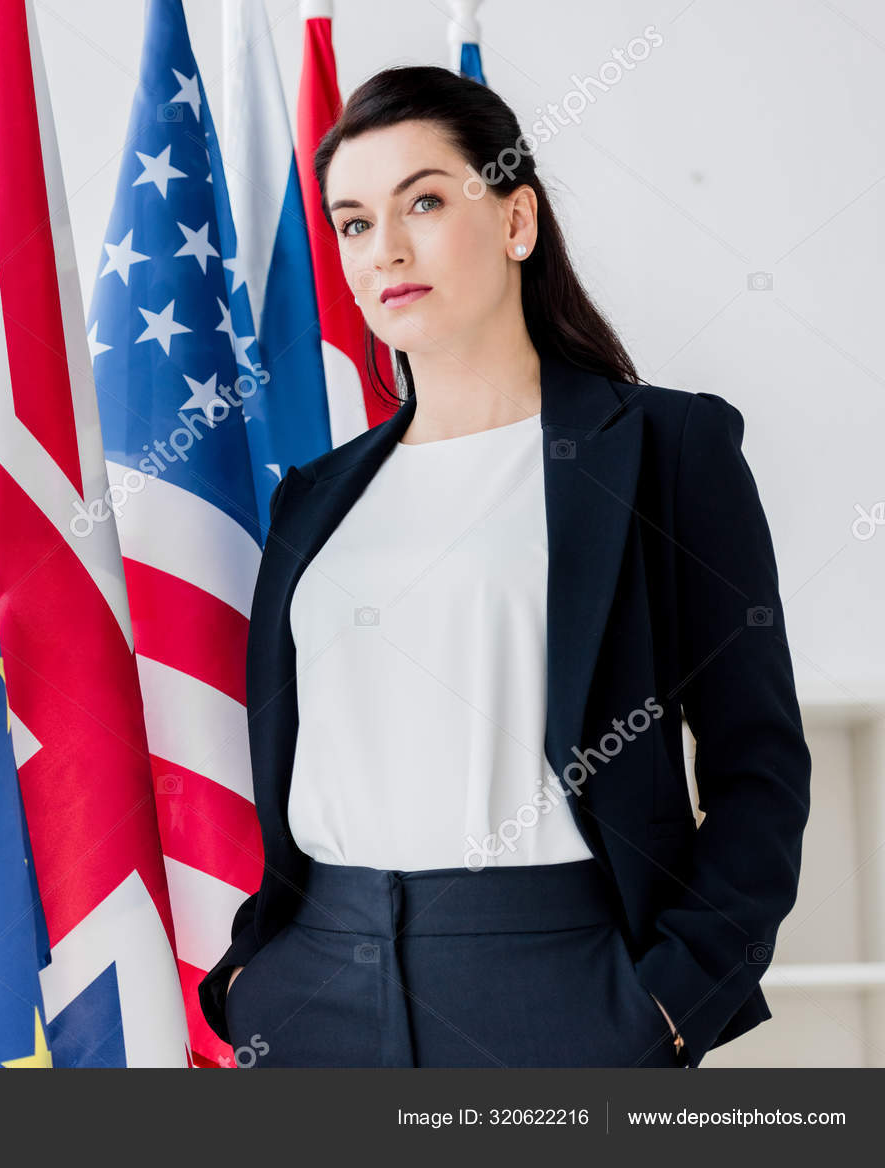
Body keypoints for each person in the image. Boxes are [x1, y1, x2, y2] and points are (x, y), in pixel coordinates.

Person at [196, 65, 811, 1069]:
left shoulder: (664, 447)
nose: (385, 247)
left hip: (562, 988)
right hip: (311, 990)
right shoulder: (313, 496)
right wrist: (251, 969)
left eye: (424, 202)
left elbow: (759, 762)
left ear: (516, 219)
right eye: (353, 223)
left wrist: (671, 998)